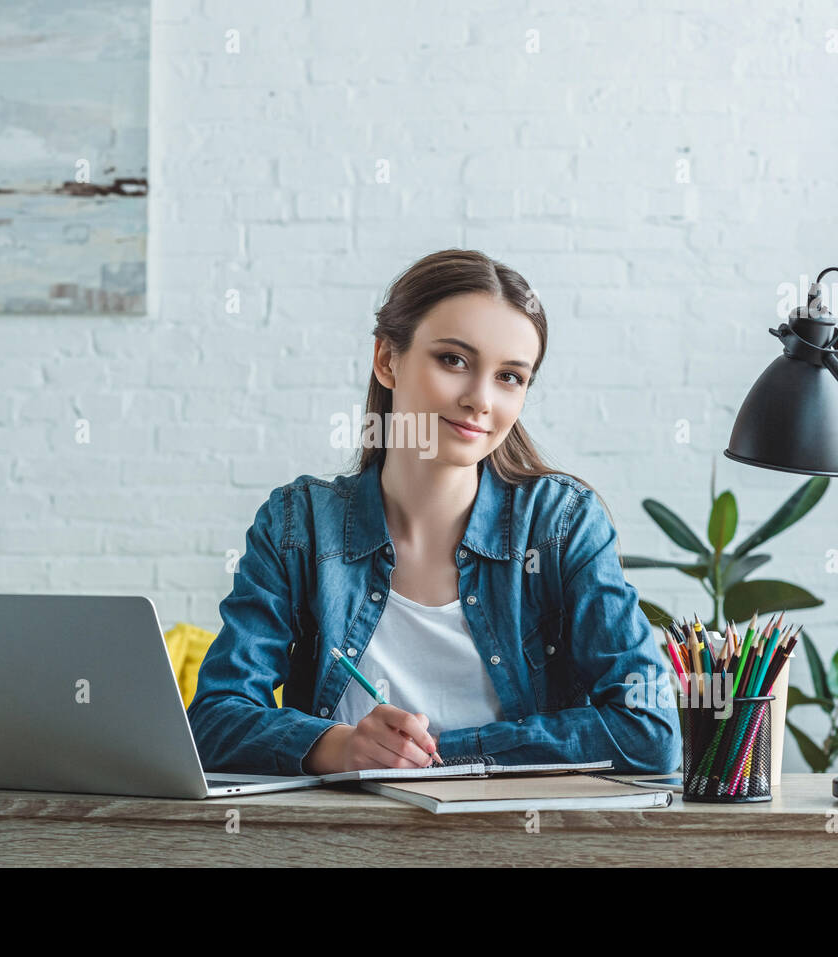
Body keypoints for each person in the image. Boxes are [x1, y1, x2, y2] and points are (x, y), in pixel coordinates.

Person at [187, 248, 681, 776]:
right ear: (386, 360)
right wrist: (338, 746)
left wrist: (446, 754)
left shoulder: (562, 525)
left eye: (510, 377)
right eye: (454, 360)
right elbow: (214, 719)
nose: (480, 399)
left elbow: (647, 729)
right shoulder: (299, 524)